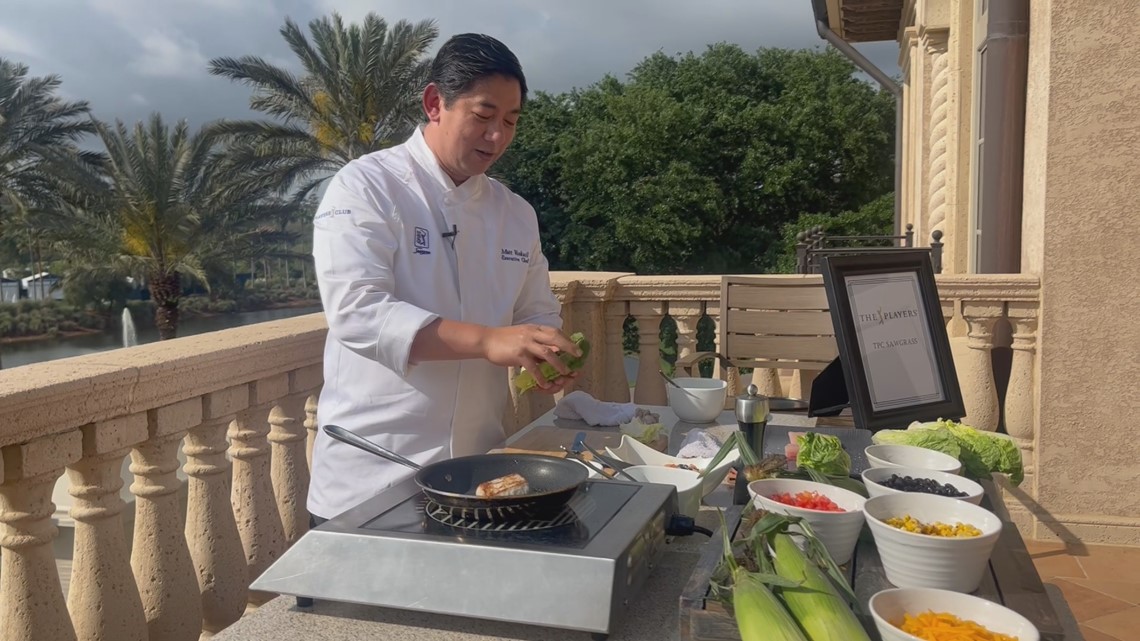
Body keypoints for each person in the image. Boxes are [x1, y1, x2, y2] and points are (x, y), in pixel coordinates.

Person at [307, 33, 580, 524]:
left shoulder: (514, 213)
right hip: (371, 477)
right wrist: (489, 341)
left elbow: (536, 309)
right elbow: (358, 313)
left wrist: (547, 351)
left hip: (479, 479)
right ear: (435, 103)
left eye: (511, 122)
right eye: (483, 115)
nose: (497, 136)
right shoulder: (366, 185)